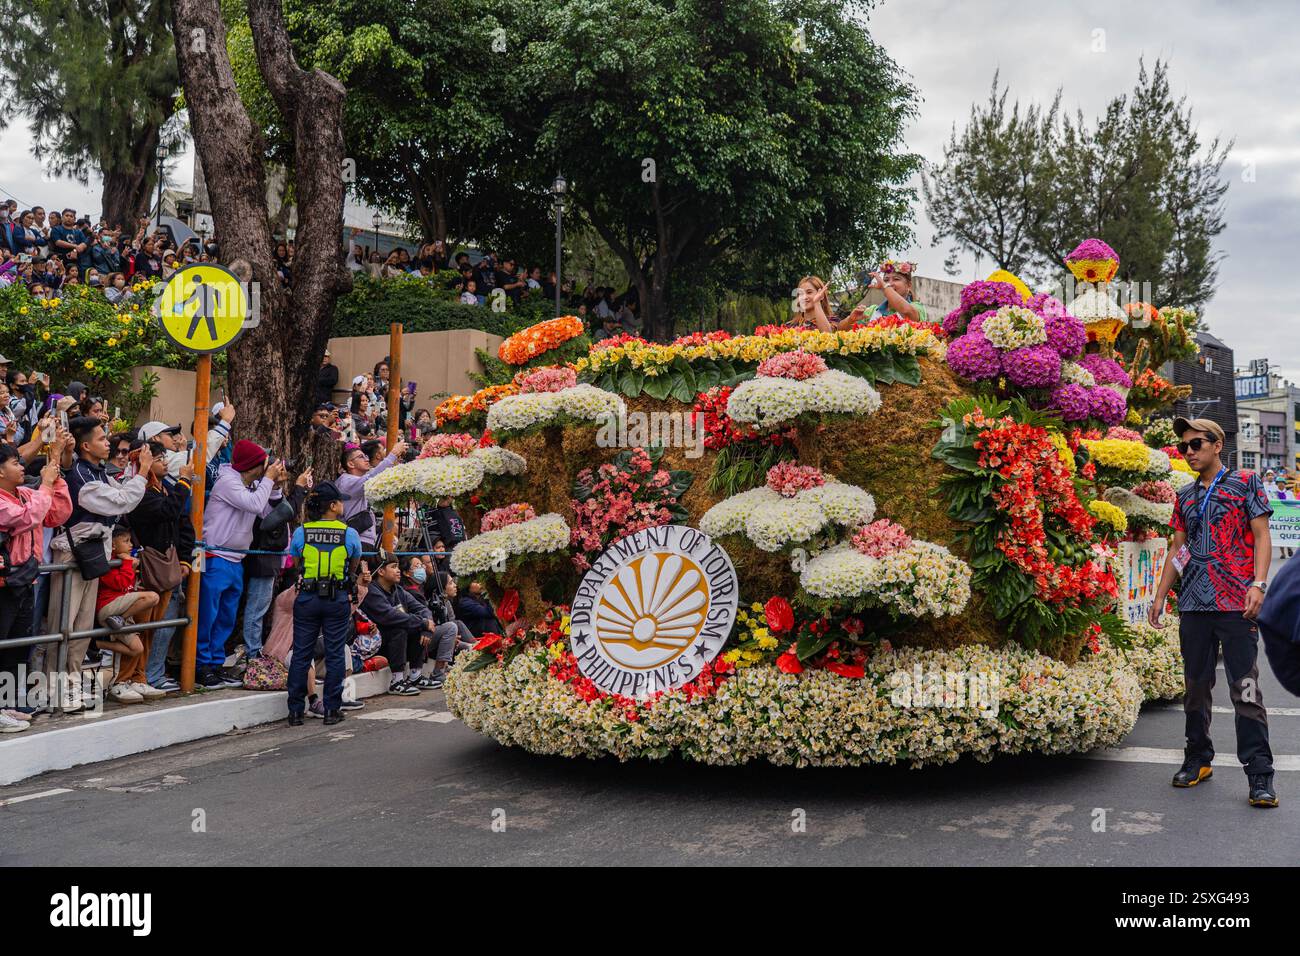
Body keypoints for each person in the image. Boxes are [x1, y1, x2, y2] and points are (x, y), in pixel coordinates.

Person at [1149, 417, 1277, 807]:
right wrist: (1160, 596)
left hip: (1236, 604)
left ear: (1217, 444)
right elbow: (1178, 550)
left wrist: (1258, 584)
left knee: (1245, 690)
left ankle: (1259, 775)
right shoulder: (1184, 495)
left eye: (1197, 443)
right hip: (1193, 606)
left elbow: (1261, 536)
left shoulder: (1245, 483)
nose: (1189, 451)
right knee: (1195, 689)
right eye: (1184, 446)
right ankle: (1198, 759)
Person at [46, 418, 150, 712]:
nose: (109, 444)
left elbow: (123, 494)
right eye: (103, 439)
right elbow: (121, 502)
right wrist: (142, 471)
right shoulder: (82, 476)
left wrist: (134, 472)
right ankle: (55, 688)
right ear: (86, 445)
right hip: (74, 554)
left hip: (94, 554)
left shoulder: (99, 473)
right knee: (63, 623)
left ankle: (73, 682)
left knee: (81, 627)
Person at [196, 441, 284, 689]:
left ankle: (215, 663)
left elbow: (267, 512)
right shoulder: (228, 481)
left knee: (226, 617)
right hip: (215, 556)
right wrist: (267, 479)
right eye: (263, 461)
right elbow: (255, 504)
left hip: (236, 559)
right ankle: (201, 666)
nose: (267, 465)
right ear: (253, 464)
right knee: (208, 615)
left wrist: (274, 487)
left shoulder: (251, 485)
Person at [0, 443, 72, 730]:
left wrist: (55, 472)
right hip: (4, 583)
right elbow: (26, 517)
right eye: (15, 463)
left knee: (18, 647)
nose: (21, 467)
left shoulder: (27, 494)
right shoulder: (5, 501)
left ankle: (8, 703)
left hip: (26, 579)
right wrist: (45, 483)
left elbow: (56, 513)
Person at [286, 481, 362, 726]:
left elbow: (296, 562)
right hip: (336, 597)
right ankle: (331, 710)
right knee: (335, 653)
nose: (342, 505)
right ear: (332, 506)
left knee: (301, 653)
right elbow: (354, 563)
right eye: (340, 501)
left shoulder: (301, 532)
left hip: (307, 597)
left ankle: (296, 712)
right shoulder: (348, 533)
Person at [126, 441, 194, 695]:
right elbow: (168, 511)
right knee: (148, 625)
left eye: (164, 457)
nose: (165, 462)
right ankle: (145, 675)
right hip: (149, 569)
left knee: (164, 623)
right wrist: (184, 482)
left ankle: (150, 673)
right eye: (158, 458)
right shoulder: (141, 491)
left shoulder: (165, 488)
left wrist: (185, 559)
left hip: (170, 566)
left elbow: (184, 523)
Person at [245, 465, 311, 660]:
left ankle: (255, 650)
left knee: (261, 607)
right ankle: (252, 653)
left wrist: (278, 486)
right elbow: (283, 513)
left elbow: (280, 506)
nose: (280, 470)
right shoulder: (257, 491)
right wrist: (298, 488)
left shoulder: (268, 490)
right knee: (256, 608)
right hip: (262, 557)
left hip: (272, 558)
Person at [93, 522, 161, 704]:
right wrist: (127, 564)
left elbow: (128, 586)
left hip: (119, 611)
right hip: (108, 608)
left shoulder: (124, 560)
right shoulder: (108, 560)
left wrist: (127, 563)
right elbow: (122, 584)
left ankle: (95, 642)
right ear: (113, 545)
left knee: (137, 649)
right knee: (152, 597)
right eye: (126, 541)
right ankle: (119, 619)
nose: (131, 545)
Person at [361, 551, 443, 693]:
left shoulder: (398, 590)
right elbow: (390, 616)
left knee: (416, 628)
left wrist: (425, 627)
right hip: (374, 643)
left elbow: (422, 609)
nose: (398, 570)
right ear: (380, 571)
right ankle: (396, 681)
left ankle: (415, 676)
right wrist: (423, 623)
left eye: (398, 566)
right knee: (400, 628)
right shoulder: (372, 591)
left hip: (395, 643)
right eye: (393, 567)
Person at [337, 437, 408, 551]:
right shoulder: (346, 481)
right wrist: (393, 453)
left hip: (362, 539)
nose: (366, 459)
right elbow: (372, 477)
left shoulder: (355, 480)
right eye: (361, 457)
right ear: (350, 464)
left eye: (366, 456)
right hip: (355, 539)